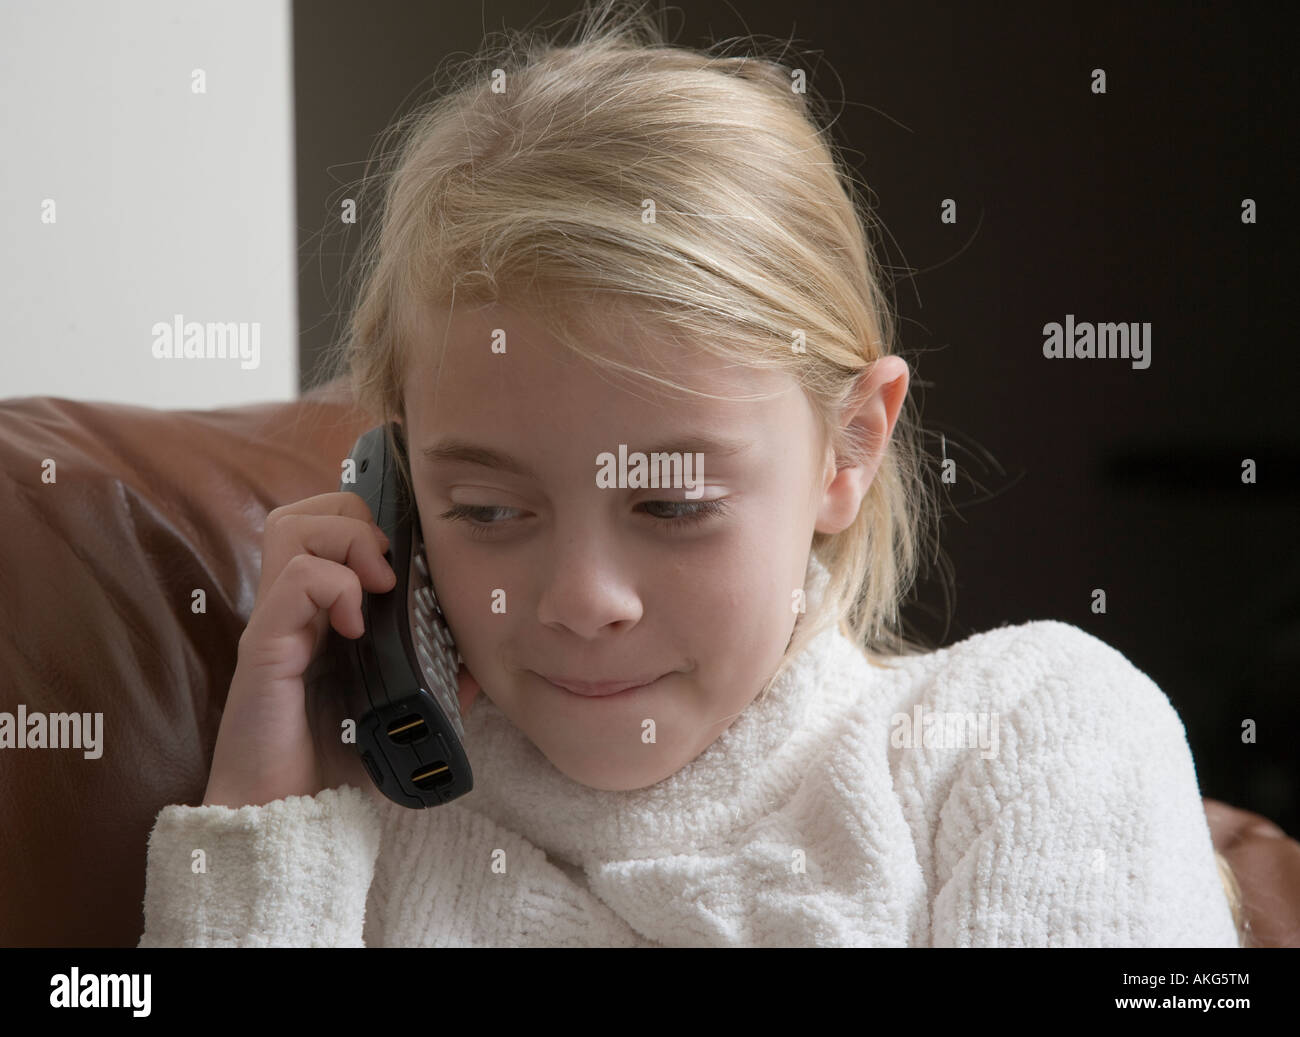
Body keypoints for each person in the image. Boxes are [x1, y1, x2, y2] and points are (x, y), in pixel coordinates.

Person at [138, 0, 1244, 947]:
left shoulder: (1033, 731)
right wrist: (264, 817)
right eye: (484, 508)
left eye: (671, 502)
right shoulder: (352, 833)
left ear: (850, 447)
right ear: (395, 487)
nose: (580, 597)